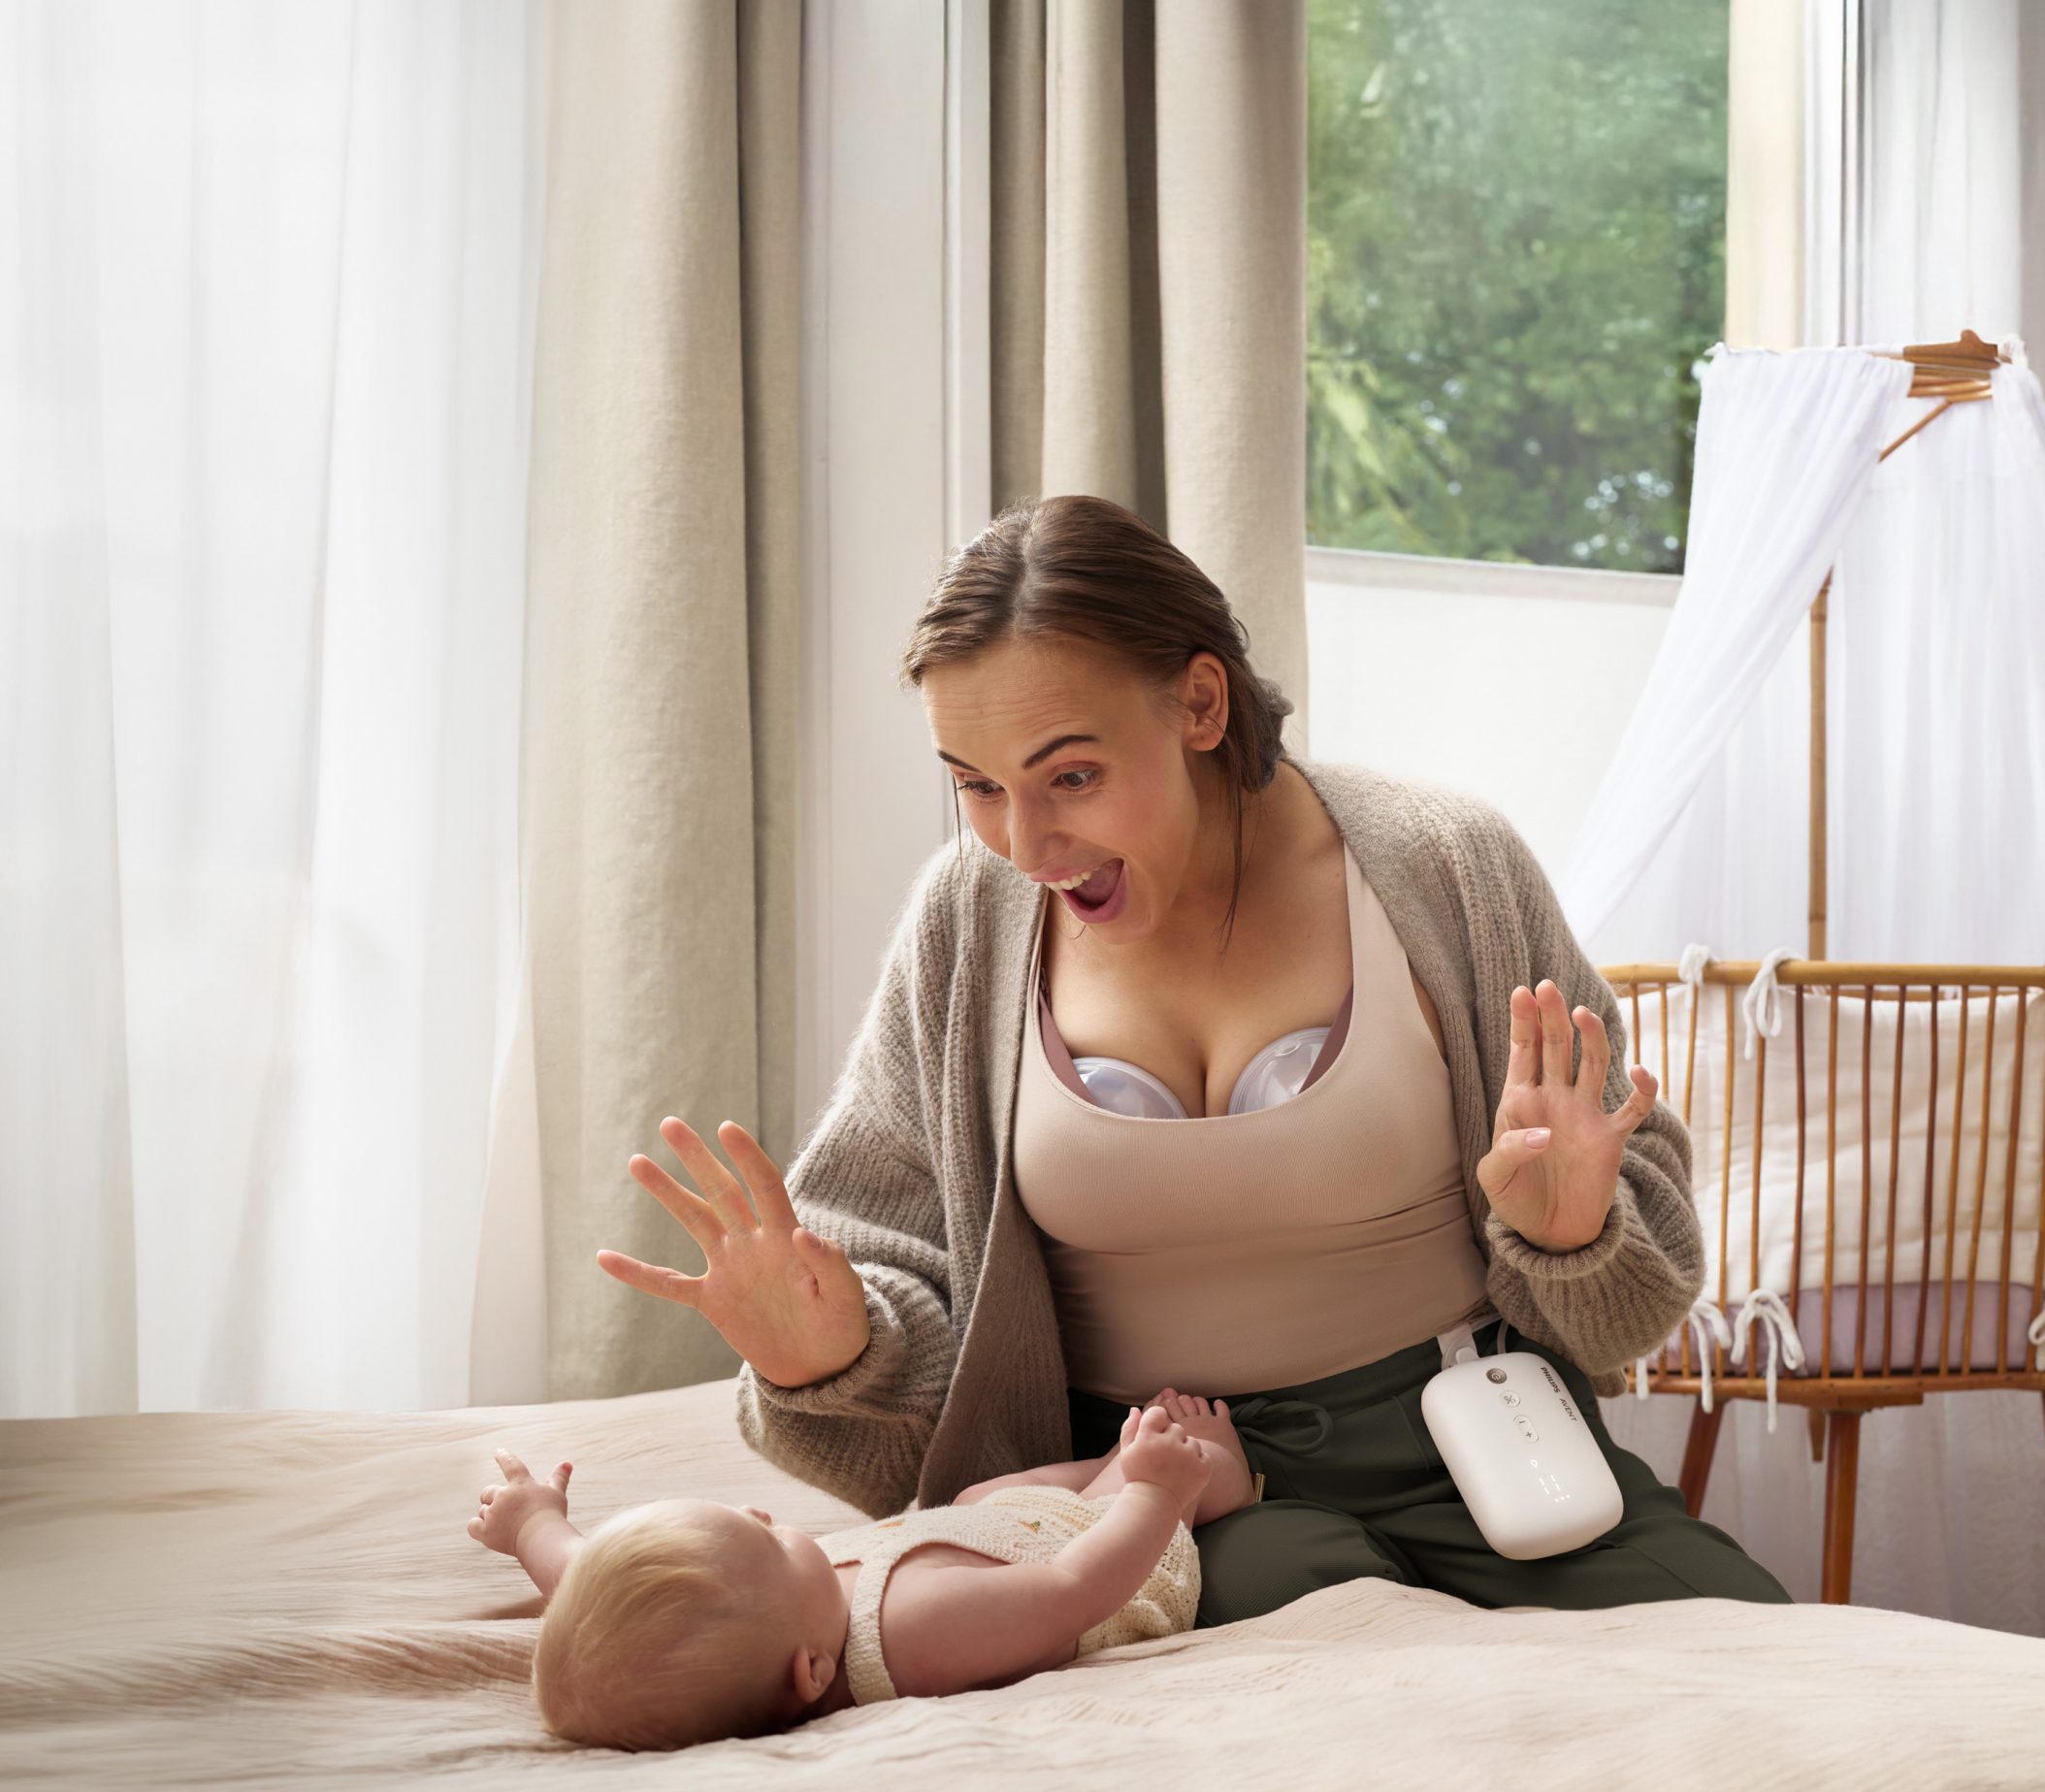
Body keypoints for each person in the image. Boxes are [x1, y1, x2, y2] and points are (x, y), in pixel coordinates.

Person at [598, 492, 1789, 1627]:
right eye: (975, 787)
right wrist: (835, 1352)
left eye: (1072, 775)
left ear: (1201, 705)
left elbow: (1625, 1303)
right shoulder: (968, 924)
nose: (1025, 841)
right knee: (1320, 1633)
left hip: (1483, 1443)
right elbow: (903, 1325)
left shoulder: (1445, 866)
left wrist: (1573, 1234)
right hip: (1154, 1489)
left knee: (1754, 1649)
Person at [469, 1393, 1253, 1751]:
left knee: (986, 1493)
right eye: (766, 1540)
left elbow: (588, 1582)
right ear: (811, 1673)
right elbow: (1074, 1590)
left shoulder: (770, 1616)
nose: (766, 1516)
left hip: (987, 1527)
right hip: (1102, 1552)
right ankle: (1202, 1467)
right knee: (1181, 1478)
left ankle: (1122, 1458)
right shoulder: (916, 1631)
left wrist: (533, 1521)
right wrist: (1153, 1492)